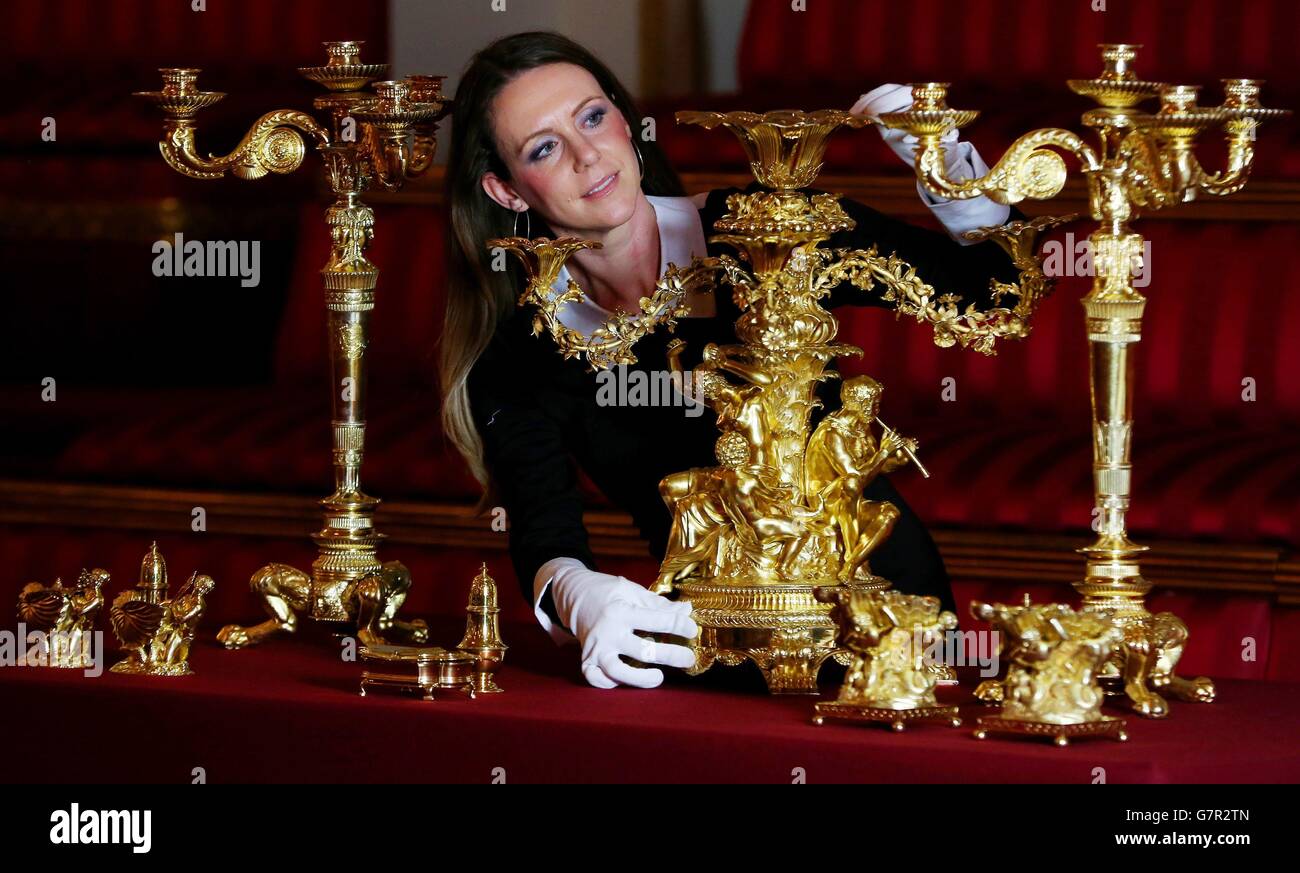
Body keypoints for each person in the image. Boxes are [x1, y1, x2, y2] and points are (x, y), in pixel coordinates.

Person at [439, 31, 1019, 689]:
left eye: (592, 117)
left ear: (626, 122)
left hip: (893, 633)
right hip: (716, 655)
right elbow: (546, 535)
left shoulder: (767, 230)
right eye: (544, 148)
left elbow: (993, 290)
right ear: (508, 190)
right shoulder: (524, 347)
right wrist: (577, 593)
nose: (586, 155)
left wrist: (944, 169)